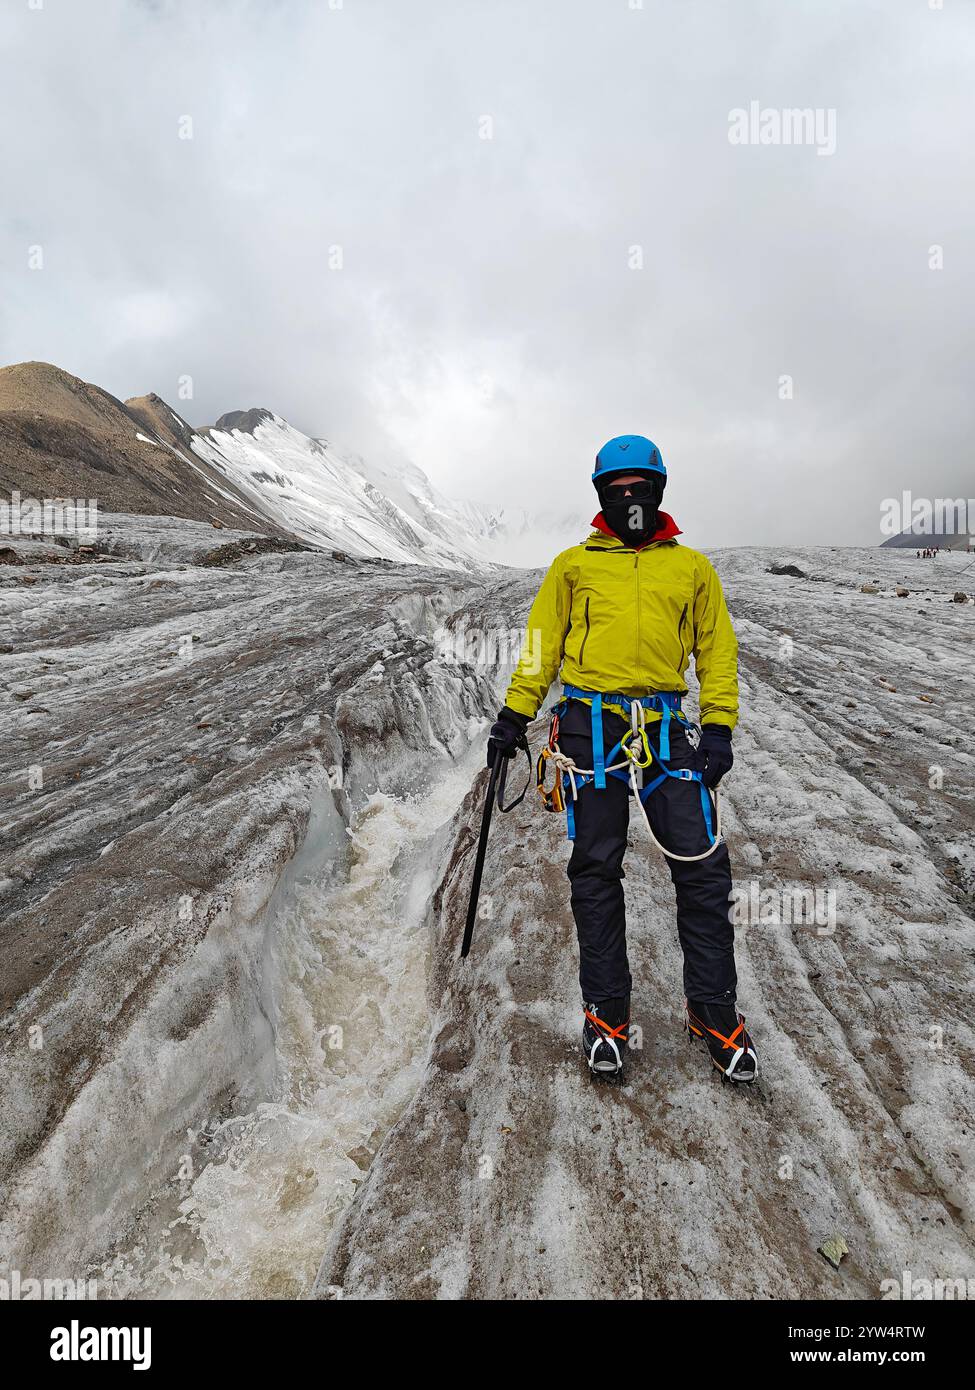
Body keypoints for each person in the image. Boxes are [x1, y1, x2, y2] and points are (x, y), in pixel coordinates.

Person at [487, 436, 757, 1084]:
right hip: (588, 729)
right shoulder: (572, 566)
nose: (629, 498)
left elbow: (716, 652)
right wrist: (513, 715)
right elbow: (540, 650)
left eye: (640, 488)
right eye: (617, 489)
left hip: (665, 729)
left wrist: (717, 727)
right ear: (601, 495)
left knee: (702, 871)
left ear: (659, 492)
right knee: (596, 869)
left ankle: (712, 1011)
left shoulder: (690, 568)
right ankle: (606, 1014)